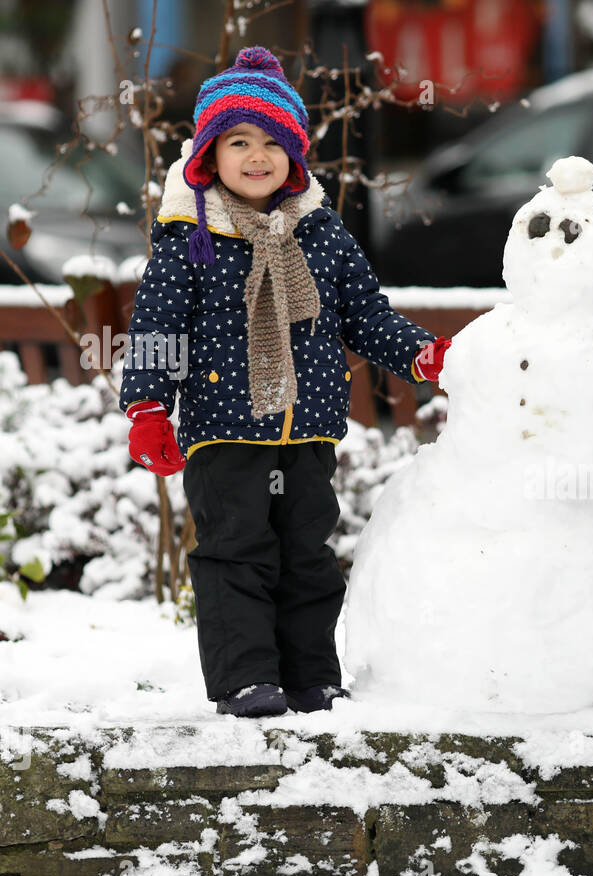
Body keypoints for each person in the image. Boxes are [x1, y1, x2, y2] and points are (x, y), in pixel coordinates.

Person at [121, 46, 450, 719]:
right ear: (208, 156)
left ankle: (312, 678)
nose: (256, 155)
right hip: (223, 427)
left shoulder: (322, 234)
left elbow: (364, 314)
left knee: (307, 555)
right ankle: (247, 679)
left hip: (308, 427)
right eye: (238, 140)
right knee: (236, 552)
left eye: (273, 142)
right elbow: (157, 326)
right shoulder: (190, 238)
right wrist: (149, 407)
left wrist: (420, 355)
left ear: (295, 156)